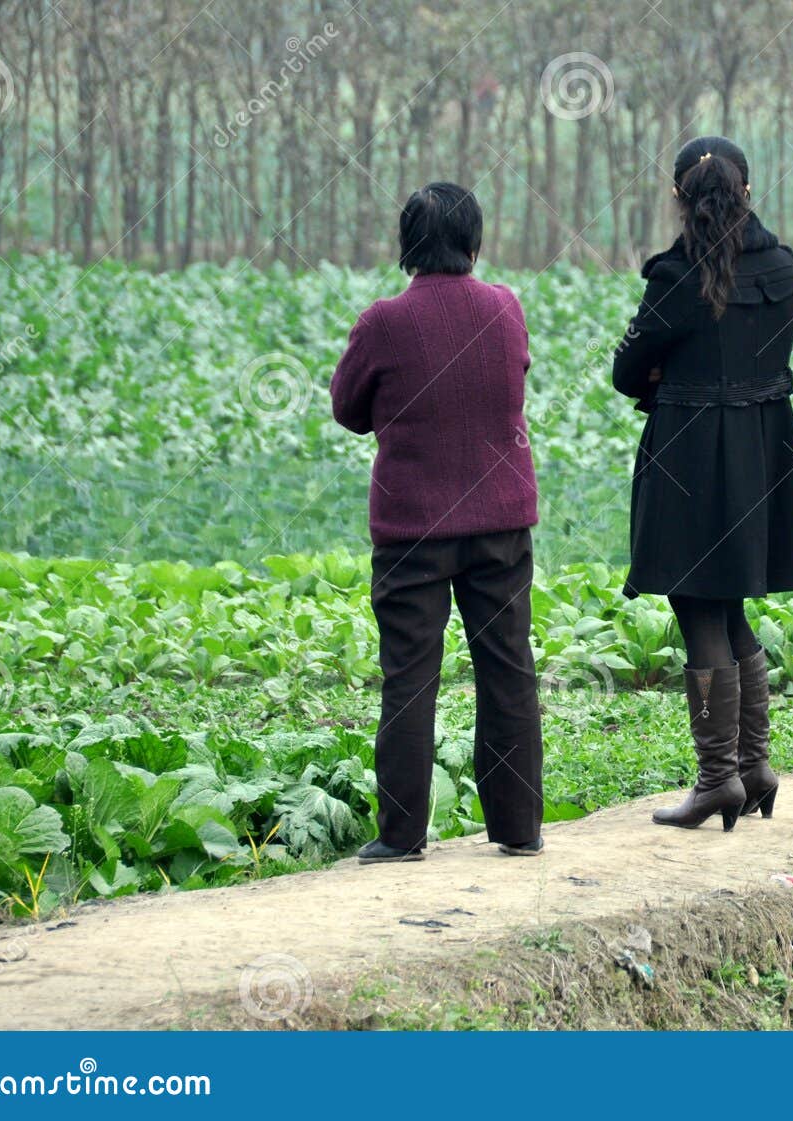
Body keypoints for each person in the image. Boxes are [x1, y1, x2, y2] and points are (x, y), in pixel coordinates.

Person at [330, 182, 546, 860]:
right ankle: (519, 829)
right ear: (474, 243)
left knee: (410, 676)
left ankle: (400, 835)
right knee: (508, 668)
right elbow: (512, 379)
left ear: (408, 245)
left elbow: (347, 407)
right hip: (500, 523)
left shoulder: (382, 322)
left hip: (412, 528)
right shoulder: (504, 308)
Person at [612, 135, 793, 831]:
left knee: (699, 608)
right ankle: (753, 766)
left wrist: (673, 373)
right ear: (747, 190)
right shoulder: (782, 267)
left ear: (677, 198)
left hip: (691, 453)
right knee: (729, 608)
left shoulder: (676, 278)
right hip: (760, 451)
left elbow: (627, 370)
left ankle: (717, 777)